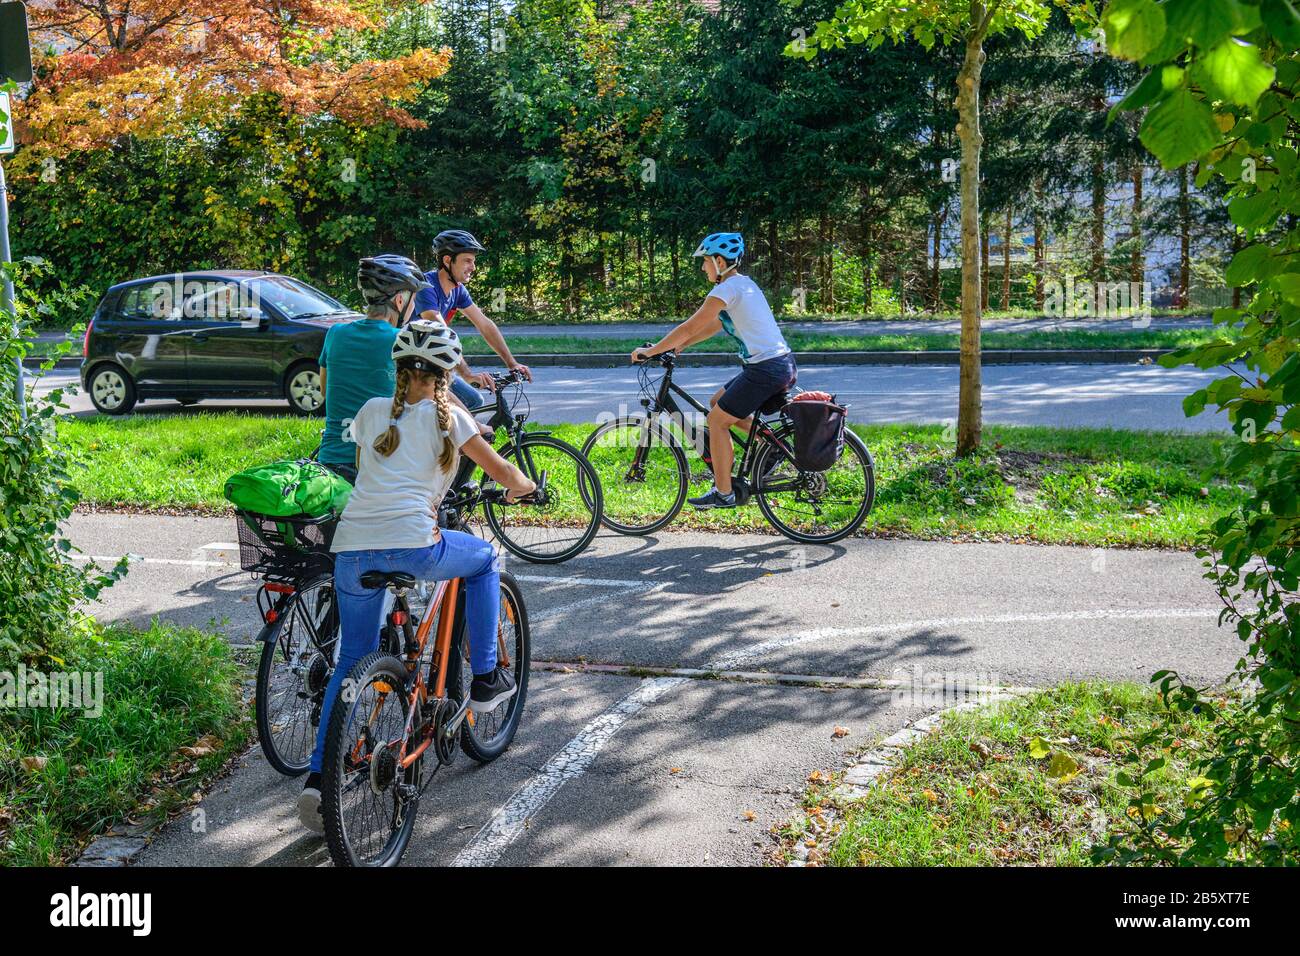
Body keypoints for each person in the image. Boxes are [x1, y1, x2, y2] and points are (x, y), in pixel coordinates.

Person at [297, 318, 538, 834]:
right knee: (484, 560)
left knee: (352, 660)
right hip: (417, 544)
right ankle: (485, 678)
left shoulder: (370, 412)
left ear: (399, 369)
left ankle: (319, 780)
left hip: (353, 550)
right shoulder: (453, 419)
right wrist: (526, 487)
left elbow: (370, 470)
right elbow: (501, 471)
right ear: (447, 373)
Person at [631, 232, 796, 509]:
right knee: (716, 403)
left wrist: (653, 350)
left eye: (705, 261)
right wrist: (682, 345)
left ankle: (723, 493)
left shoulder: (725, 290)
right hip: (776, 365)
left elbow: (690, 325)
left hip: (766, 370)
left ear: (720, 261)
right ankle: (771, 447)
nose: (702, 267)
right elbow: (715, 325)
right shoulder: (743, 285)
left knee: (717, 421)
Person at [316, 255, 426, 484]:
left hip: (332, 460)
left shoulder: (335, 334)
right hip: (380, 464)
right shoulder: (403, 340)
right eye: (414, 299)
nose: (415, 306)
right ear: (399, 301)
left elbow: (325, 391)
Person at [415, 229, 533, 413]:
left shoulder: (457, 290)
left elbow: (484, 324)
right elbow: (440, 332)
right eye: (467, 261)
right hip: (410, 369)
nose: (473, 267)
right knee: (464, 407)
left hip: (432, 365)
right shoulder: (425, 286)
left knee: (473, 401)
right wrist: (467, 374)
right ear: (447, 260)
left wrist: (512, 363)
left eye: (474, 261)